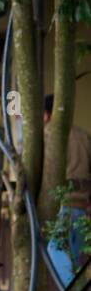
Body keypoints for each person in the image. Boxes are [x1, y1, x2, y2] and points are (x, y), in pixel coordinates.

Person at [43, 95, 91, 277]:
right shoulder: (84, 136)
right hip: (82, 208)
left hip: (61, 207)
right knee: (74, 260)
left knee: (56, 252)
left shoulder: (48, 136)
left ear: (47, 115)